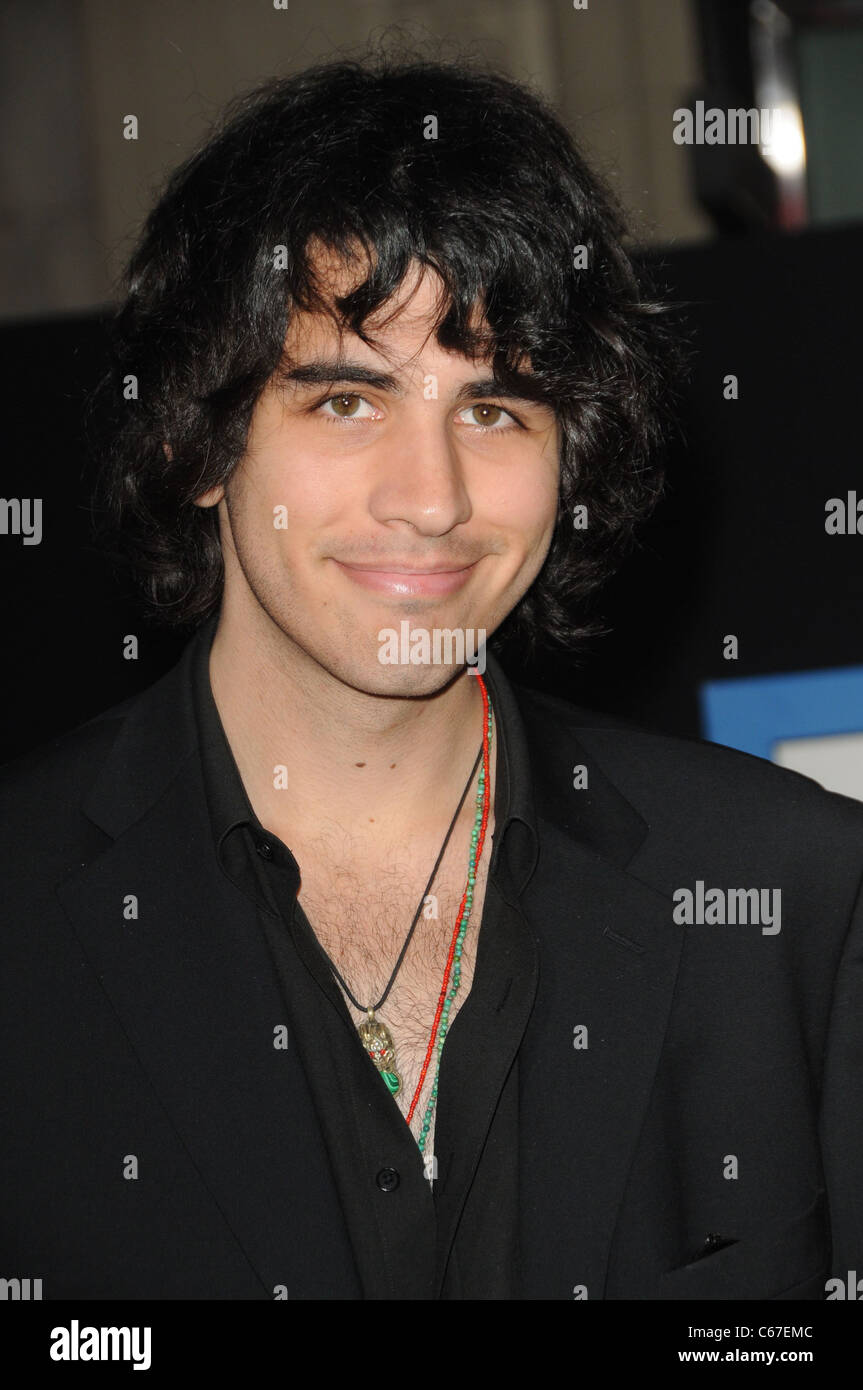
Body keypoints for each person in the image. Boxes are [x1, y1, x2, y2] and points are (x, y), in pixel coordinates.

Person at [2, 53, 861, 1302]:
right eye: (346, 402)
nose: (431, 498)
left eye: (494, 409)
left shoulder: (796, 897)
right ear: (196, 440)